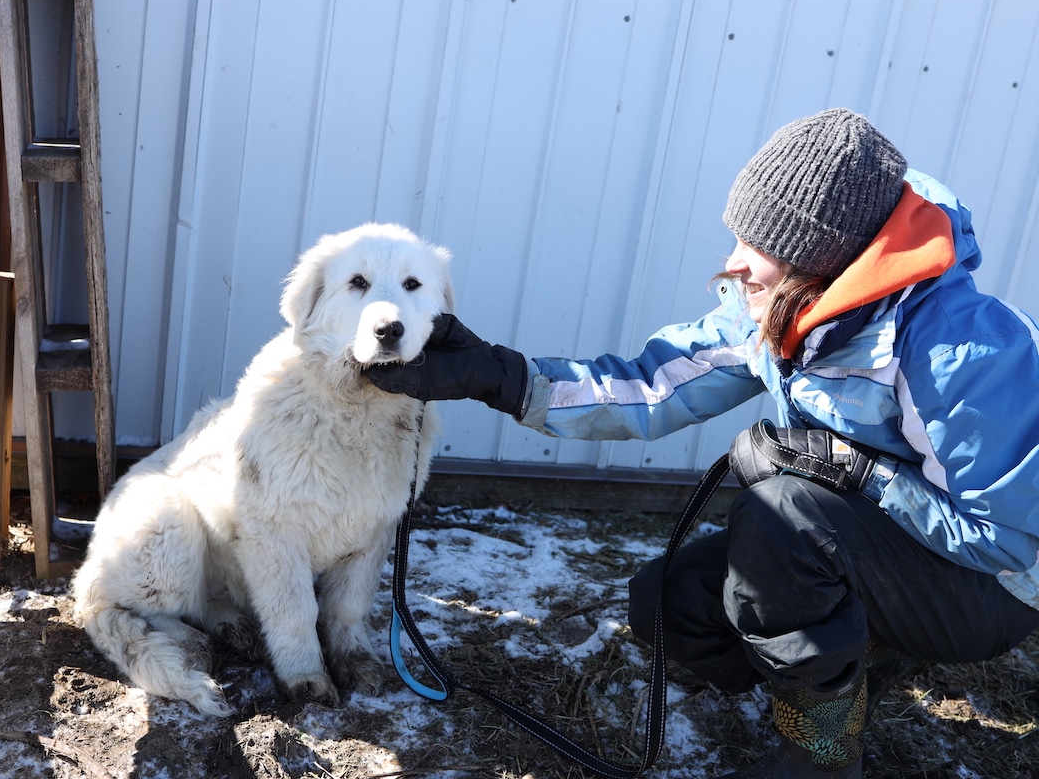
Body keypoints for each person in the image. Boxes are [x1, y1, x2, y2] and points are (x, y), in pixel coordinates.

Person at [364, 108, 1039, 777]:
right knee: (669, 606)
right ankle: (846, 671)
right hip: (862, 549)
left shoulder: (959, 348)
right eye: (737, 237)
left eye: (759, 245)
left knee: (785, 513)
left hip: (987, 591)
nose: (734, 264)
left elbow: (1005, 541)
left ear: (822, 259)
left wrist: (851, 470)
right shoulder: (782, 307)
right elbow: (652, 387)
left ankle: (823, 755)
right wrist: (500, 377)